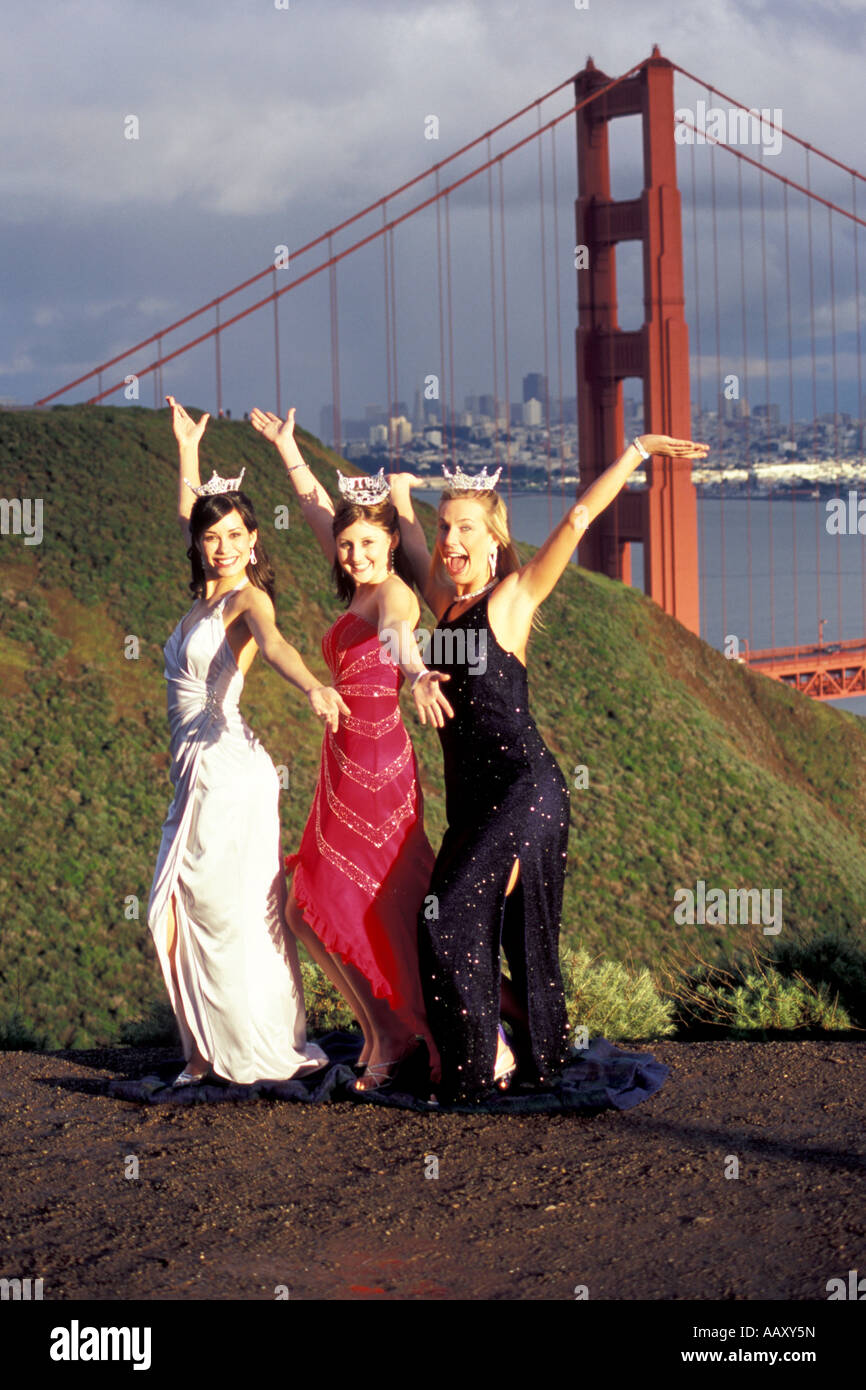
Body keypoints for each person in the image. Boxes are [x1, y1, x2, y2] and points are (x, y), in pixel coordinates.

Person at [391, 434, 708, 1102]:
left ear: (495, 534)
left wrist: (634, 452)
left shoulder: (512, 598)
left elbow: (577, 522)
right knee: (449, 923)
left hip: (527, 791)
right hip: (473, 801)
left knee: (453, 919)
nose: (451, 541)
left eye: (466, 529)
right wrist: (398, 496)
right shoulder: (441, 601)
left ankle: (496, 1058)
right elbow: (410, 539)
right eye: (446, 526)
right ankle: (522, 1047)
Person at [249, 406, 453, 1093]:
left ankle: (404, 1030)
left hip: (377, 769)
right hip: (341, 763)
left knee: (342, 898)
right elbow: (315, 507)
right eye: (347, 545)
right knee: (305, 903)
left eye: (368, 544)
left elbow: (400, 635)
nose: (355, 555)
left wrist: (420, 672)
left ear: (391, 543)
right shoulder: (359, 575)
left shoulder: (394, 595)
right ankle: (380, 1029)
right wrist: (285, 448)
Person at [147, 397, 348, 1087]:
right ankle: (207, 1050)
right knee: (179, 910)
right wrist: (187, 452)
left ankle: (244, 1050)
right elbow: (190, 517)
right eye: (214, 537)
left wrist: (314, 688)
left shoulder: (244, 600)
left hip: (230, 770)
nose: (225, 545)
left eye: (237, 535)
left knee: (226, 913)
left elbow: (278, 643)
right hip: (192, 772)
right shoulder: (204, 591)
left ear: (253, 541)